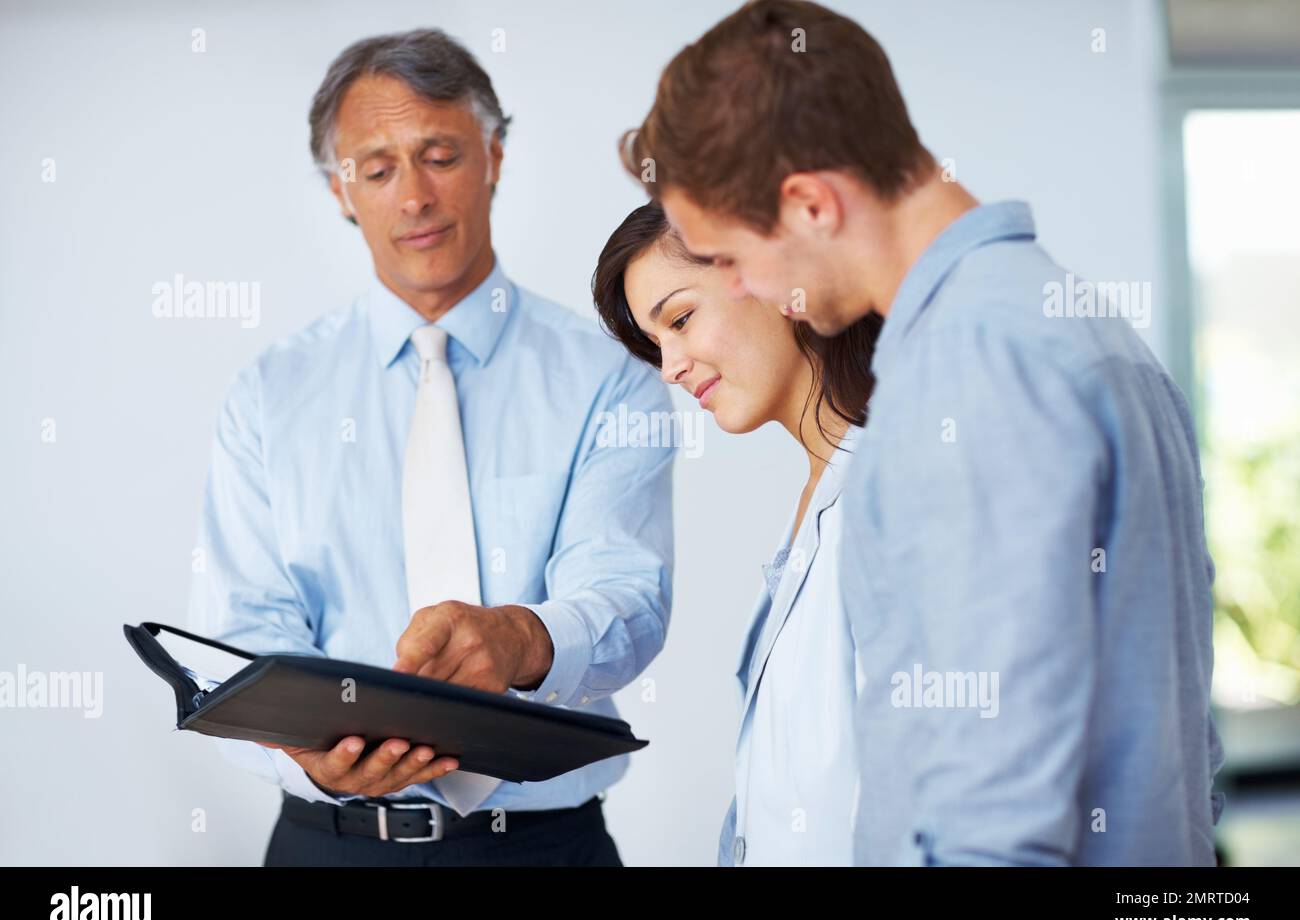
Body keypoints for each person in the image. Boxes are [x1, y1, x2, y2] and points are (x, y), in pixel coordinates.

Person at [620, 0, 1225, 865]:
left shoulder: (966, 367)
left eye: (730, 256)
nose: (746, 282)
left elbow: (992, 814)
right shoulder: (1083, 326)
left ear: (811, 205)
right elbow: (1186, 744)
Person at [188, 28, 674, 866]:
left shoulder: (611, 375)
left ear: (493, 154)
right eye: (376, 169)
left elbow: (627, 598)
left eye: (439, 154)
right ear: (341, 193)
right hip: (326, 843)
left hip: (542, 847)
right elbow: (241, 628)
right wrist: (308, 748)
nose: (412, 197)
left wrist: (523, 639)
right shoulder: (268, 395)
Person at [593, 199, 881, 864]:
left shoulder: (892, 494)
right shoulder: (813, 504)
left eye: (682, 319)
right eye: (655, 343)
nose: (669, 367)